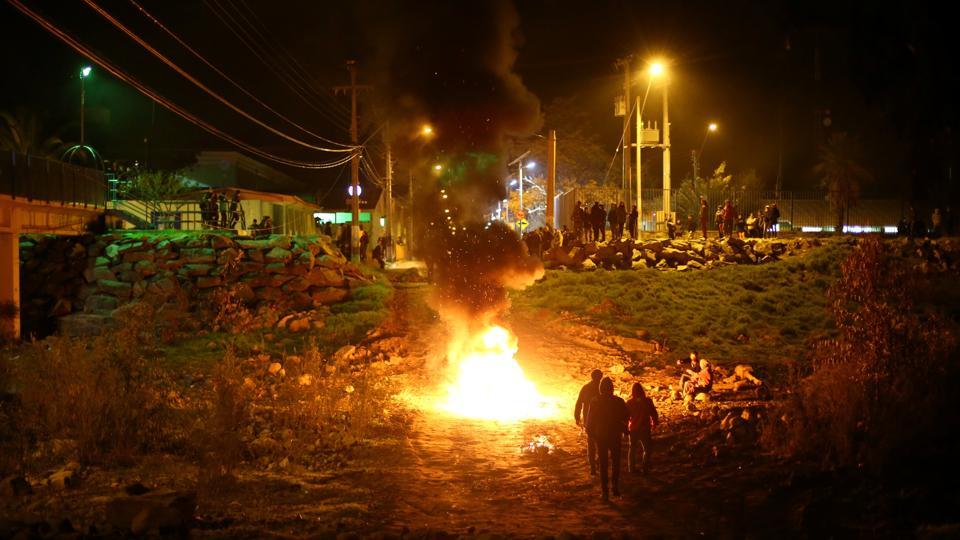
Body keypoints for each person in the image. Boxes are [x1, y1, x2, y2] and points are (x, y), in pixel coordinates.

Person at [586, 377, 629, 501]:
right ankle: (615, 487)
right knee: (616, 463)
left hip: (601, 436)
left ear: (600, 388)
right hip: (615, 436)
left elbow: (590, 421)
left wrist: (592, 435)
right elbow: (626, 416)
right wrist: (623, 428)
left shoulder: (595, 401)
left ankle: (605, 492)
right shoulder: (618, 401)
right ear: (612, 388)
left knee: (603, 465)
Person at [574, 369, 603, 476]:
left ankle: (593, 468)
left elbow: (579, 403)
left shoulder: (586, 388)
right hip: (600, 421)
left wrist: (577, 416)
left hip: (589, 421)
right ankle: (598, 464)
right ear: (600, 377)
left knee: (591, 445)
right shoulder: (603, 388)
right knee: (600, 444)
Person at [626, 382, 659, 475]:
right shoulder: (647, 401)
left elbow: (625, 416)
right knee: (647, 449)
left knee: (632, 449)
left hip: (633, 429)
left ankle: (631, 469)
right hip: (645, 429)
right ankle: (644, 468)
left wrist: (625, 429)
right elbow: (654, 413)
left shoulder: (629, 403)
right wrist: (655, 423)